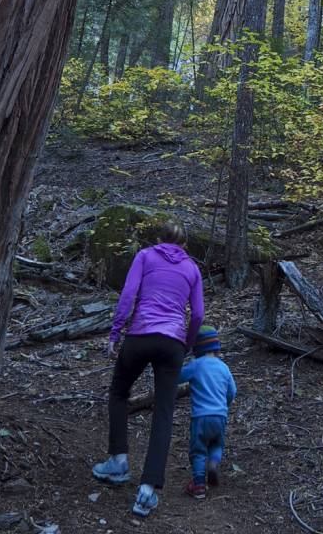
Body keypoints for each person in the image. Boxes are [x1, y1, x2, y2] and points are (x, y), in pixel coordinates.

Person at [92, 220, 204, 518]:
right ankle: (147, 491)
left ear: (160, 239)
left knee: (118, 392)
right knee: (164, 412)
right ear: (184, 245)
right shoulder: (192, 268)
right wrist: (188, 343)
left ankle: (118, 461)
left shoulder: (145, 255)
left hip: (140, 335)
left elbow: (128, 296)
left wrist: (115, 332)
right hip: (172, 344)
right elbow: (199, 314)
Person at [178, 323, 237, 500]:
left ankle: (199, 486)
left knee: (198, 450)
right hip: (220, 416)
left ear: (197, 347)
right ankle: (212, 464)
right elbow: (232, 392)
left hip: (201, 417)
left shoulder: (196, 365)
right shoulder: (224, 367)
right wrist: (224, 406)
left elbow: (177, 376)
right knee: (217, 444)